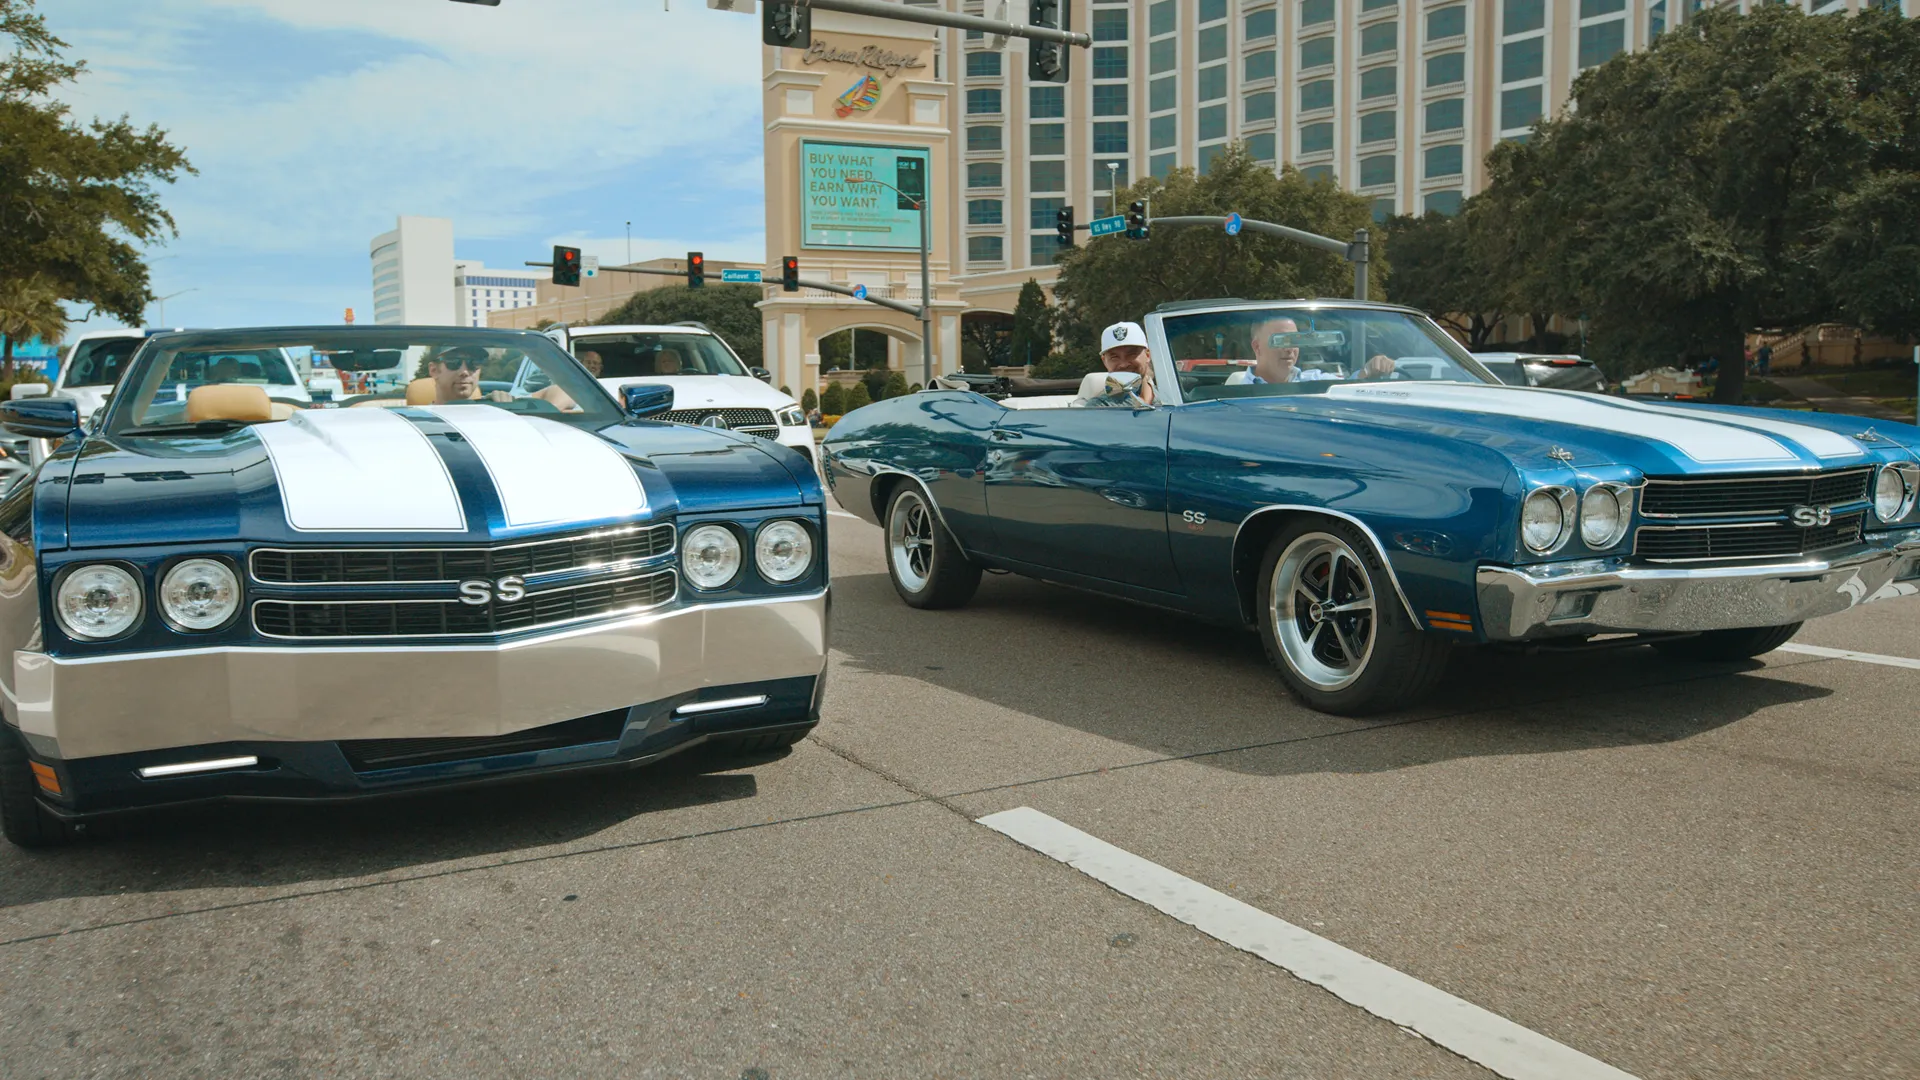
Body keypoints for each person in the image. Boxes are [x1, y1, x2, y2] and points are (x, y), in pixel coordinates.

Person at [1230, 317, 1396, 384]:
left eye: (1294, 340)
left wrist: (1370, 370)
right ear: (1257, 347)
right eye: (1280, 340)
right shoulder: (1237, 392)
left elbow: (1348, 387)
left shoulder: (1314, 381)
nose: (1289, 349)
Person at [425, 345, 512, 404]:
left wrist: (502, 407)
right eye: (453, 362)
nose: (464, 372)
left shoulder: (492, 416)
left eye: (474, 362)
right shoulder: (421, 421)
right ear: (434, 370)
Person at [1098, 321, 1156, 404]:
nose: (1124, 364)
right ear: (1104, 361)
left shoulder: (1171, 396)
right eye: (1114, 357)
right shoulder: (1101, 406)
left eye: (1131, 354)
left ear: (1147, 355)